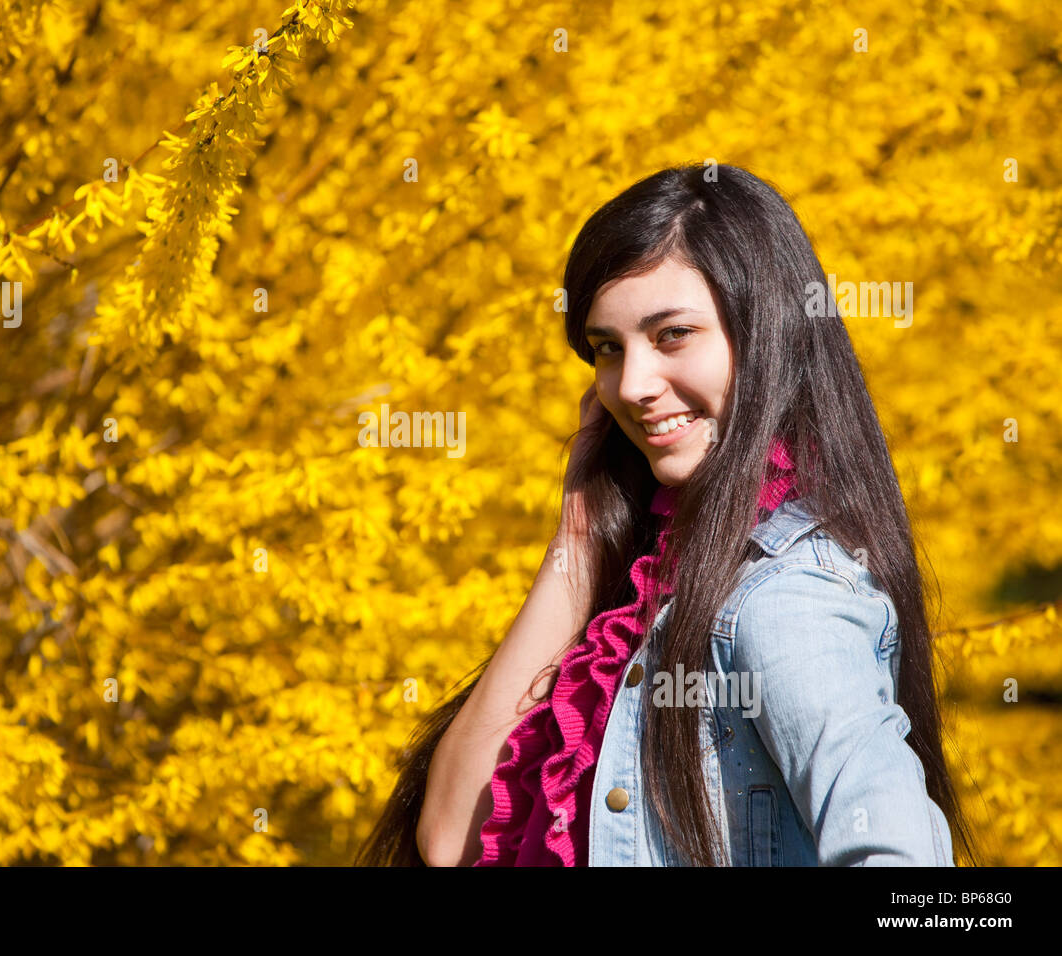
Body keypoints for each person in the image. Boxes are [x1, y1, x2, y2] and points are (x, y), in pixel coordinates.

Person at [354, 163, 981, 867]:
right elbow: (447, 839)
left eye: (673, 334)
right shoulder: (649, 581)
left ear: (767, 333)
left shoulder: (785, 597)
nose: (633, 385)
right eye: (607, 349)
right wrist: (579, 541)